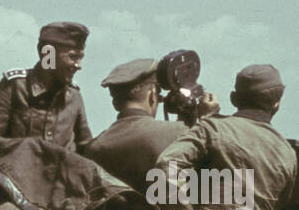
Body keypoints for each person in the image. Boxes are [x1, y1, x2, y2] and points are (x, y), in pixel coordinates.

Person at [150, 64, 297, 210]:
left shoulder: (212, 129)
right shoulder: (287, 153)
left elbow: (166, 166)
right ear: (277, 104)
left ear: (233, 98)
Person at [84, 58, 219, 192]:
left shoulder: (95, 147)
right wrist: (208, 120)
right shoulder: (178, 133)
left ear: (115, 104)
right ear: (152, 94)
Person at [0, 21, 93, 153]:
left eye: (80, 58)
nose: (78, 65)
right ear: (47, 55)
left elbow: (86, 151)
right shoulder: (14, 87)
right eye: (72, 56)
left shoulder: (74, 96)